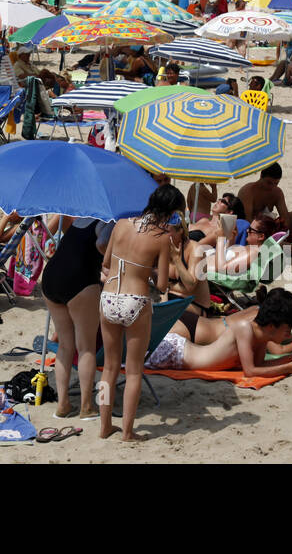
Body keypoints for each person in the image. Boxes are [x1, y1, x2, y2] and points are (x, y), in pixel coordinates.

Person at [96, 184, 182, 441]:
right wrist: (153, 268)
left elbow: (106, 261)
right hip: (135, 300)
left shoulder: (121, 224)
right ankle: (128, 432)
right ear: (169, 212)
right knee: (133, 370)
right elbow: (164, 285)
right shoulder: (162, 238)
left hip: (109, 297)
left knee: (108, 368)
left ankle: (104, 427)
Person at [146, 288, 292, 378]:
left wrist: (291, 360)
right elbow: (250, 371)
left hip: (179, 351)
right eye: (287, 330)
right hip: (172, 353)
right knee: (125, 359)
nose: (288, 336)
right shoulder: (245, 328)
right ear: (273, 326)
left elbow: (260, 366)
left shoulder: (262, 336)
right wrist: (289, 367)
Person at [41, 215, 109, 418]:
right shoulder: (108, 221)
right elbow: (103, 243)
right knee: (86, 347)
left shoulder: (82, 218)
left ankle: (63, 405)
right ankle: (86, 406)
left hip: (52, 277)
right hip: (81, 279)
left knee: (65, 345)